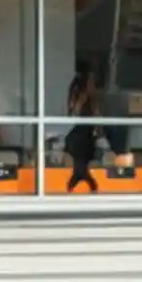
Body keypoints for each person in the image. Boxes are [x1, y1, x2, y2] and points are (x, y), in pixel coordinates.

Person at [64, 63, 100, 193]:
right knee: (80, 151)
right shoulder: (83, 89)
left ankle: (80, 177)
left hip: (84, 126)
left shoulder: (78, 87)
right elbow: (81, 107)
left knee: (81, 154)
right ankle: (82, 177)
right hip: (83, 126)